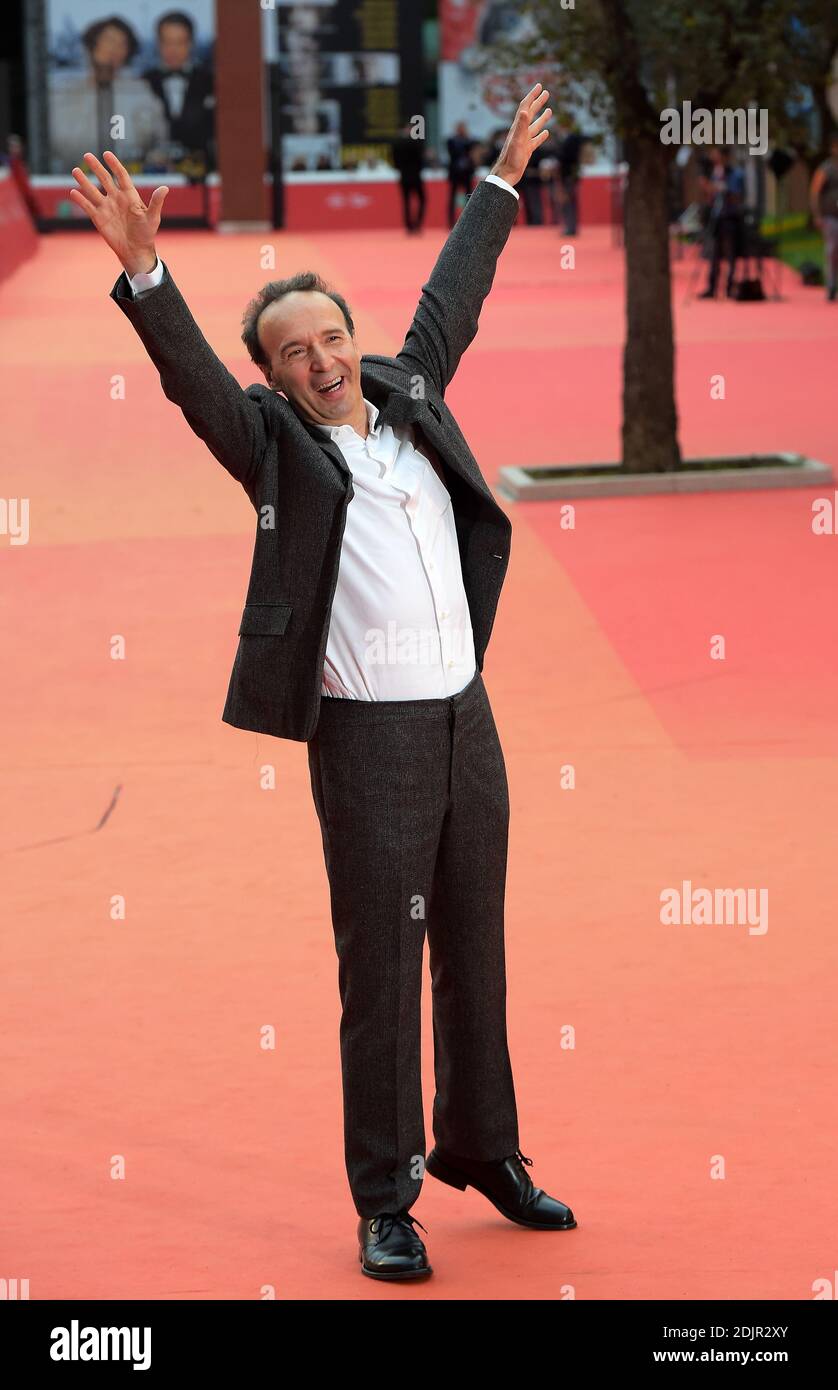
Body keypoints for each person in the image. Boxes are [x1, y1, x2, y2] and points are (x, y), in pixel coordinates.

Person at [69, 83, 577, 1284]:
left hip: (469, 722)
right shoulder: (273, 448)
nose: (321, 358)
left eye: (331, 336)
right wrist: (147, 277)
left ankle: (486, 1149)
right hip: (369, 742)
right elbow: (196, 380)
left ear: (359, 339)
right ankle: (385, 1198)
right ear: (276, 376)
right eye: (293, 351)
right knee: (382, 971)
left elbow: (455, 292)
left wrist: (503, 174)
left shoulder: (411, 392)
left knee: (476, 945)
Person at [48, 16, 168, 174]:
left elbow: (158, 140)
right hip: (71, 180)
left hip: (129, 181)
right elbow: (54, 143)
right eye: (109, 40)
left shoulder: (140, 92)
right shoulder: (64, 92)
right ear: (92, 44)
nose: (114, 49)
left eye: (122, 44)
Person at [142, 10, 215, 171]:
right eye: (167, 42)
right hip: (151, 176)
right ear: (158, 44)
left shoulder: (211, 82)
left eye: (180, 42)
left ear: (191, 43)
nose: (173, 50)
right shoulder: (143, 83)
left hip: (204, 177)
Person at [698, 147, 746, 299]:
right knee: (714, 253)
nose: (713, 158)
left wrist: (717, 189)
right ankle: (712, 287)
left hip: (730, 217)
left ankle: (730, 286)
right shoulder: (715, 173)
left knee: (730, 252)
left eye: (716, 155)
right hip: (716, 217)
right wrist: (708, 189)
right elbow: (710, 196)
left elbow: (736, 195)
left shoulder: (735, 174)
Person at [809, 132, 838, 302]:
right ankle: (831, 286)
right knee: (832, 251)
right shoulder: (826, 168)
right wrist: (817, 215)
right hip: (830, 216)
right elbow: (815, 191)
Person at [390, 123, 426, 234]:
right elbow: (421, 159)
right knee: (422, 199)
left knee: (406, 202)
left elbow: (394, 160)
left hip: (404, 176)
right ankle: (418, 224)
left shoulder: (397, 143)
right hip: (416, 176)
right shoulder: (415, 143)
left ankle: (409, 226)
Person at [556, 121, 584, 235]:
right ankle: (571, 226)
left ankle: (570, 227)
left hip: (568, 175)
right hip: (570, 174)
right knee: (570, 202)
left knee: (568, 202)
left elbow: (566, 157)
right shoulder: (573, 139)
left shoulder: (571, 139)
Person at [446, 120, 475, 227]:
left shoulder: (469, 140)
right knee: (452, 197)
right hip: (455, 174)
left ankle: (468, 221)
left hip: (467, 174)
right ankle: (451, 222)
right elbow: (453, 152)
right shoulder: (451, 140)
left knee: (469, 197)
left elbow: (472, 149)